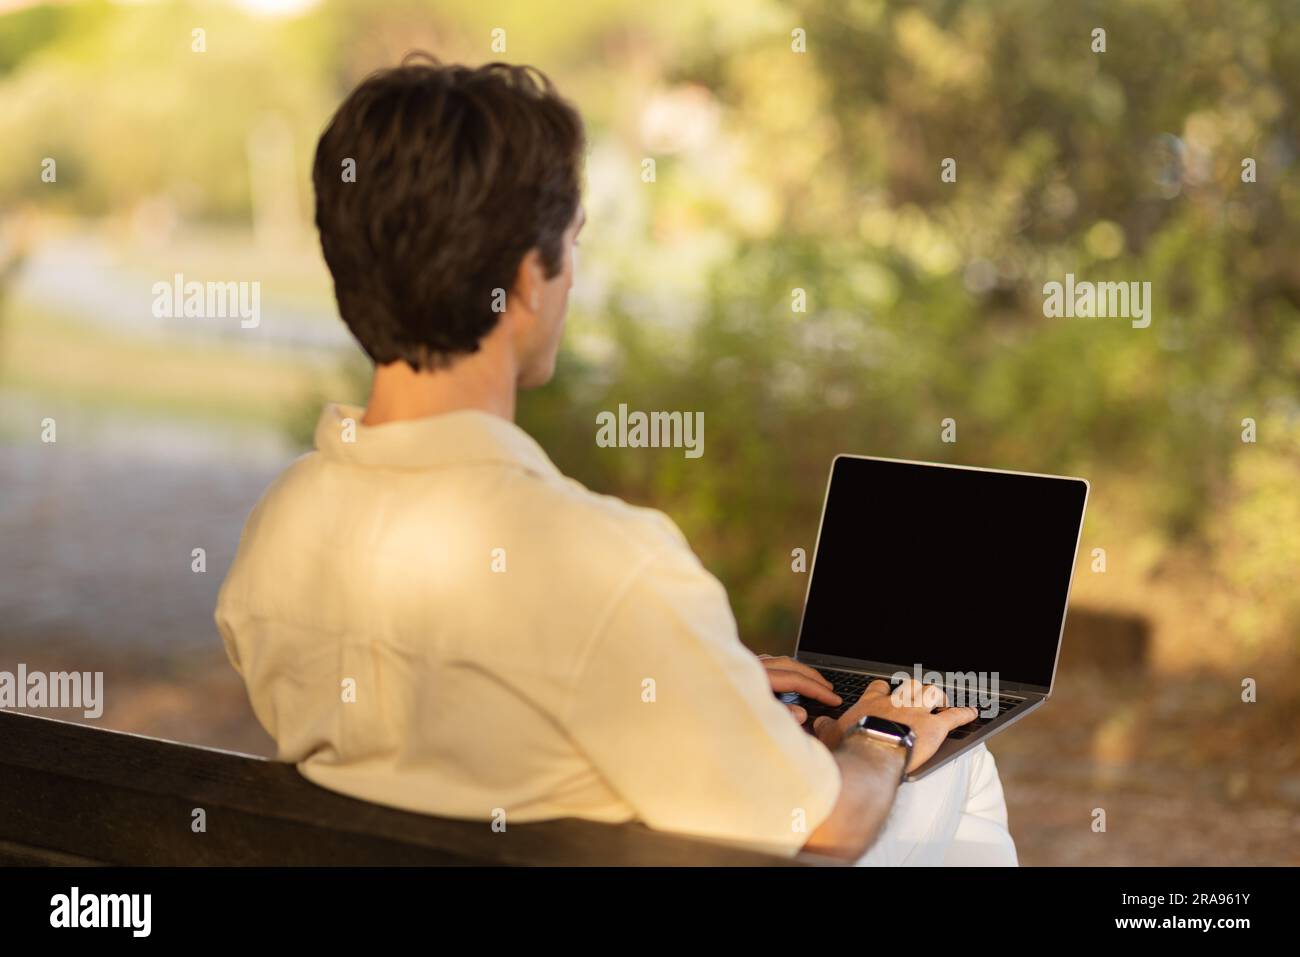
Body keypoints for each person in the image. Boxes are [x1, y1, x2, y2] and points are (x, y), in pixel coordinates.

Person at [215, 54, 1015, 864]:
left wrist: (698, 677)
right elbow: (829, 826)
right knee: (953, 765)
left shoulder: (281, 526)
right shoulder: (608, 564)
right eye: (572, 244)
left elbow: (466, 724)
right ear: (529, 280)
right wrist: (880, 736)